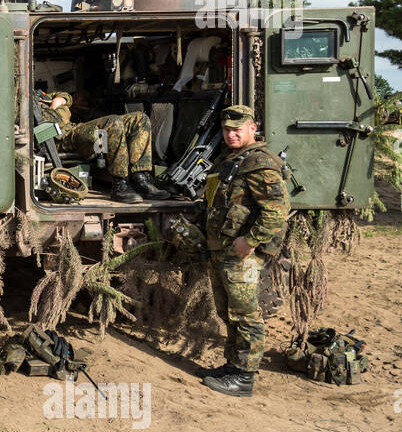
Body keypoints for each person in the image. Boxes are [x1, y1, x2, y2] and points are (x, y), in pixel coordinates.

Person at [200, 105, 290, 397]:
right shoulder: (232, 160)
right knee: (229, 312)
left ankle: (244, 377)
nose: (231, 133)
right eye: (226, 129)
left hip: (241, 252)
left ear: (253, 128)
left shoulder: (260, 163)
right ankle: (233, 366)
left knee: (246, 314)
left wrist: (251, 240)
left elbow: (277, 211)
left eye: (237, 129)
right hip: (223, 248)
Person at [37, 91, 170, 202]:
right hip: (59, 140)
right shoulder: (26, 103)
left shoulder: (42, 95)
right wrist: (49, 109)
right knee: (113, 122)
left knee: (140, 119)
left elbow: (66, 96)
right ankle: (120, 184)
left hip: (74, 129)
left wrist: (60, 99)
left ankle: (141, 179)